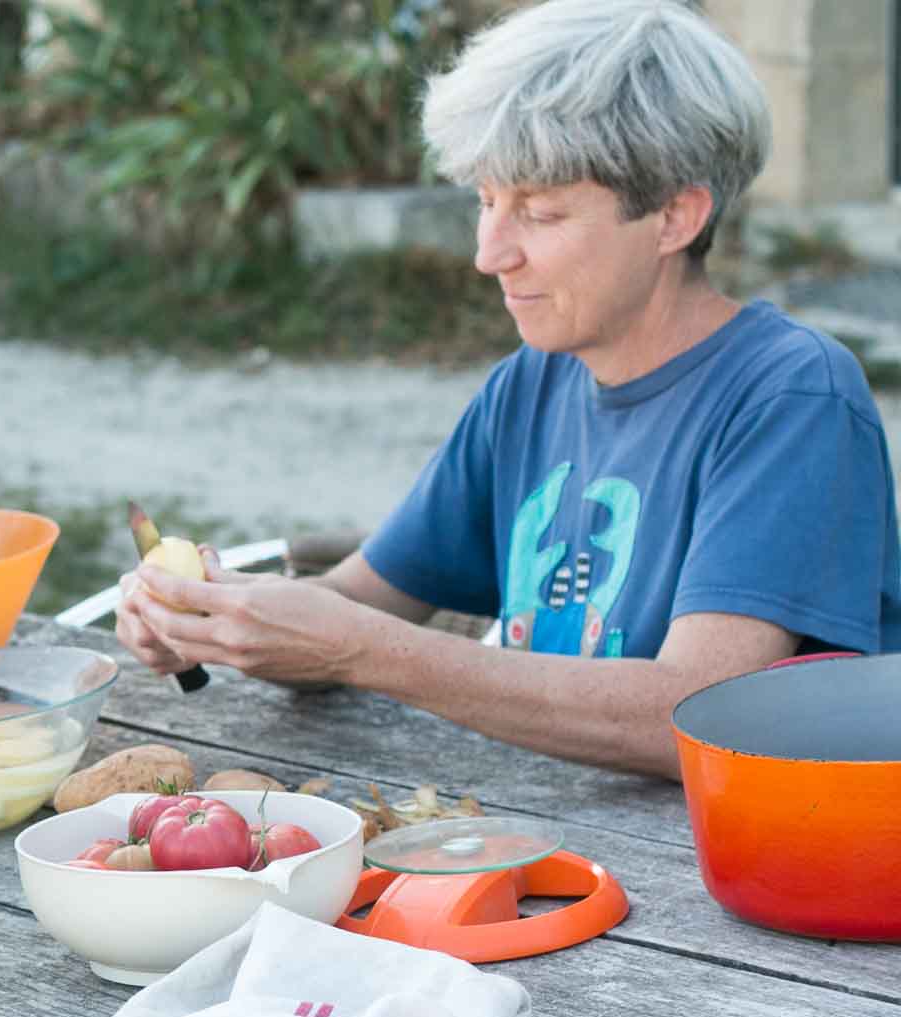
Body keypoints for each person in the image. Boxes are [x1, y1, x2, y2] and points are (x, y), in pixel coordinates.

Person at [117, 0, 901, 781]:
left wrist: (362, 649)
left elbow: (696, 714)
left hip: (726, 876)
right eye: (486, 201)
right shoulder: (533, 382)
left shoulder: (791, 397)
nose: (490, 253)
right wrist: (222, 618)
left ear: (675, 217)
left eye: (541, 211)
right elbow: (353, 613)